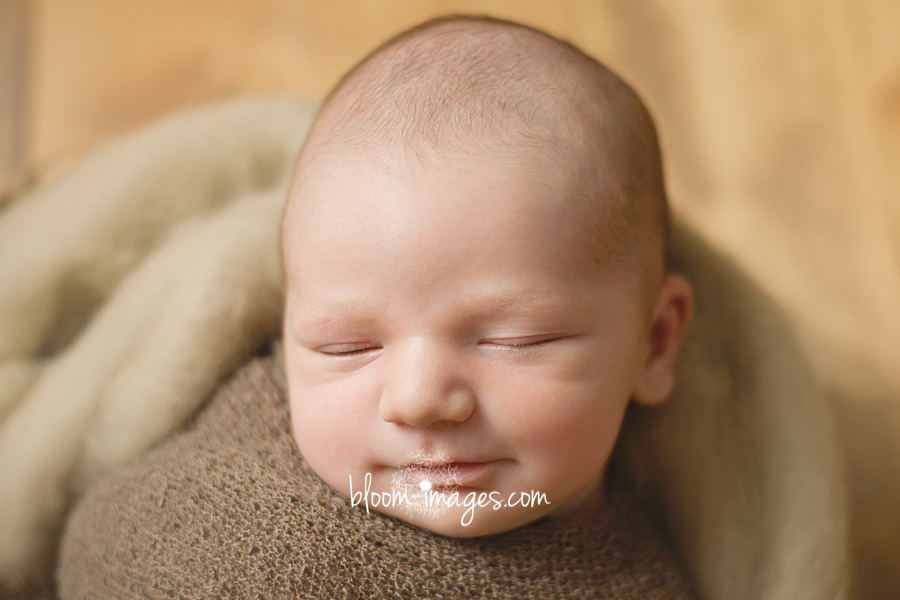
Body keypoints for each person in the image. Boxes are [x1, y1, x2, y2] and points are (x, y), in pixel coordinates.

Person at [58, 15, 697, 598]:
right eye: (347, 346)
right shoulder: (236, 463)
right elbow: (109, 538)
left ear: (655, 344)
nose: (418, 399)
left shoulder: (642, 581)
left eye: (514, 340)